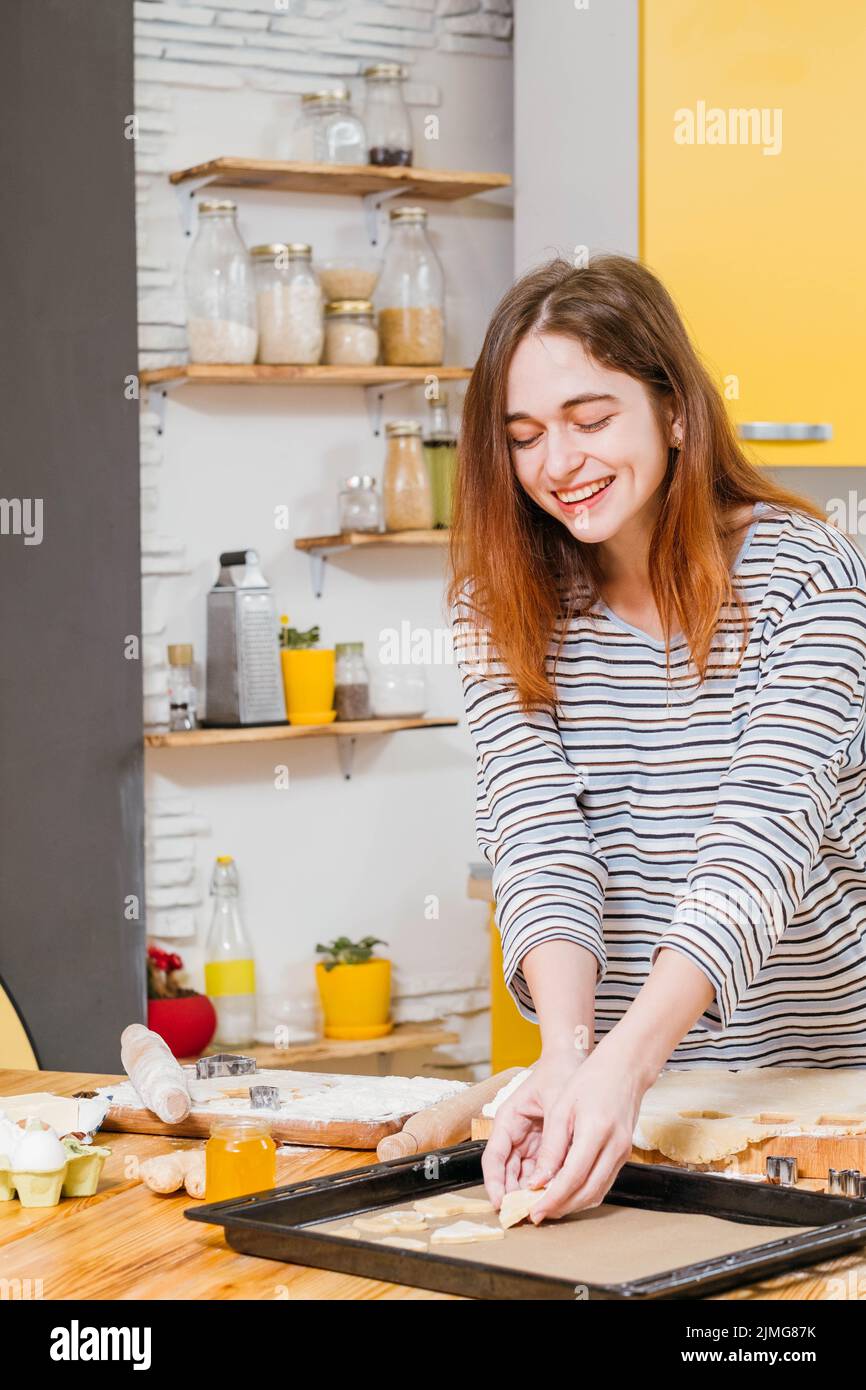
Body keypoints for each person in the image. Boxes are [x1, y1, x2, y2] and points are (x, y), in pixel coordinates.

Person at [449, 255, 866, 1221]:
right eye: (524, 437)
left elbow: (761, 840)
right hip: (634, 1096)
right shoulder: (500, 607)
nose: (558, 463)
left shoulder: (806, 579)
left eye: (591, 420)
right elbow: (538, 839)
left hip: (825, 1083)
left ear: (675, 412)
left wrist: (622, 1062)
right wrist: (568, 1055)